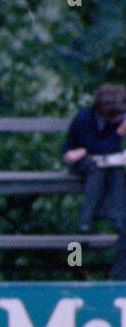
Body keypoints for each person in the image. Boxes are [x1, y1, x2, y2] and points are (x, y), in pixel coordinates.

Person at [62, 83, 126, 233]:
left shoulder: (114, 119)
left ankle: (118, 218)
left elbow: (109, 148)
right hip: (78, 159)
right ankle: (86, 220)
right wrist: (119, 133)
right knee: (97, 168)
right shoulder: (84, 118)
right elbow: (93, 147)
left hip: (104, 159)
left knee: (116, 170)